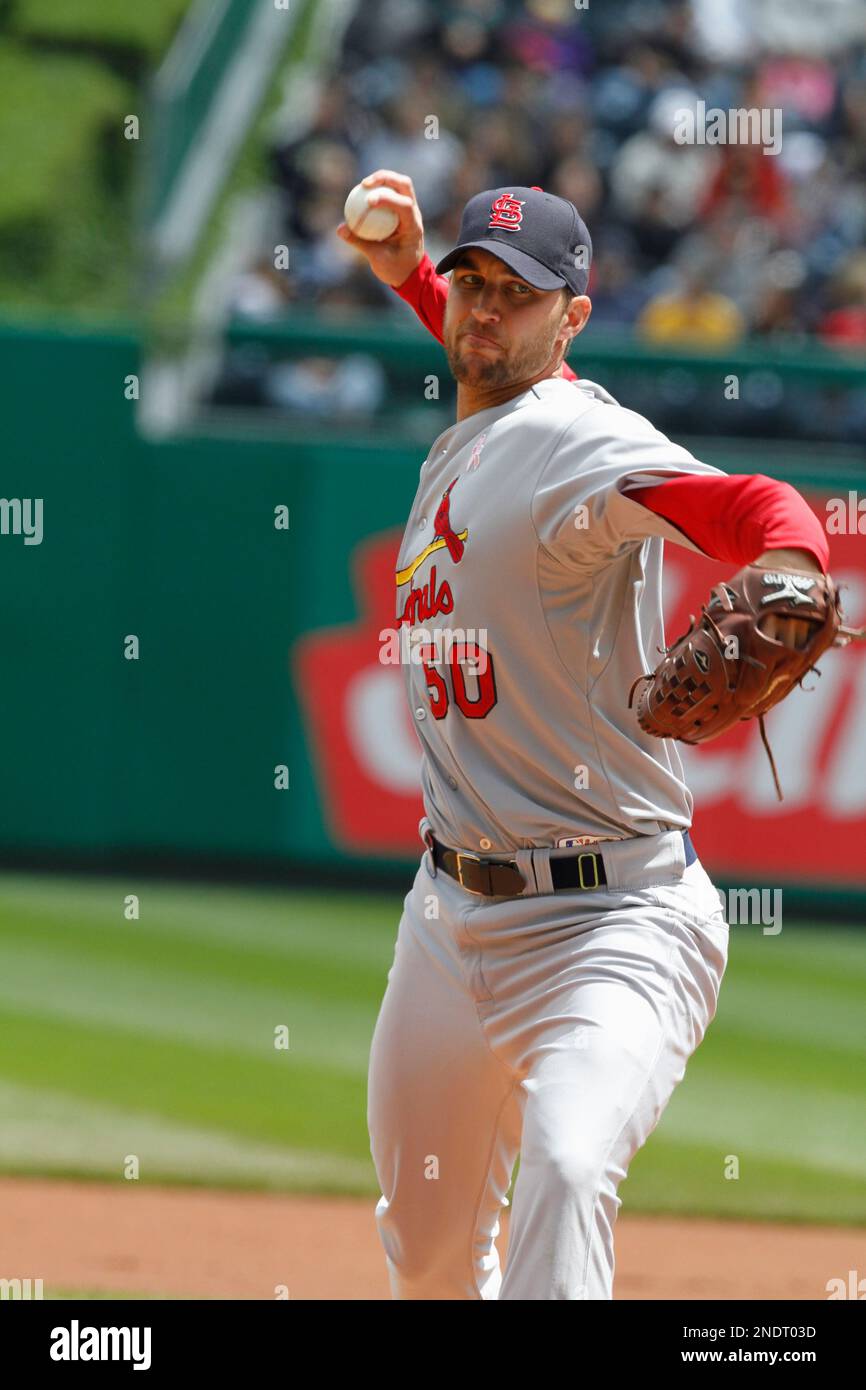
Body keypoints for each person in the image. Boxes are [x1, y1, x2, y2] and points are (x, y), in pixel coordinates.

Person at [336, 174, 829, 1300]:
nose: (483, 310)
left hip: (610, 920)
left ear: (573, 317)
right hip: (446, 917)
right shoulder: (491, 412)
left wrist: (794, 560)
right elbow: (482, 354)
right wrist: (407, 268)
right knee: (423, 1248)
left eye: (519, 294)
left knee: (564, 1161)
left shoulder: (575, 438)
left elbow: (748, 503)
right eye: (472, 285)